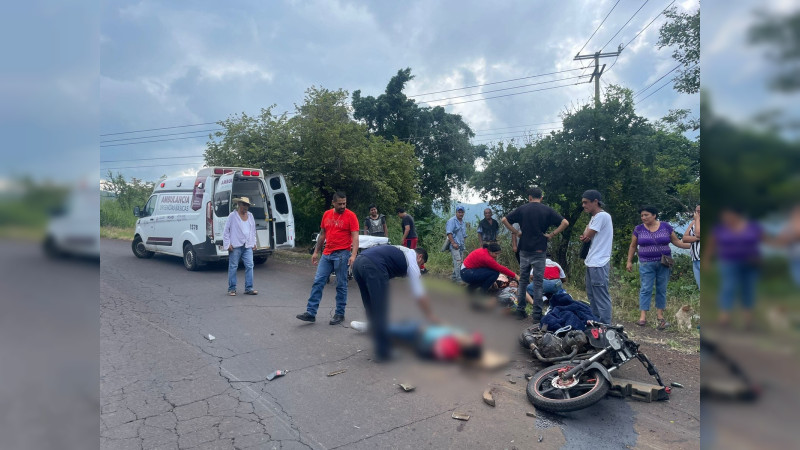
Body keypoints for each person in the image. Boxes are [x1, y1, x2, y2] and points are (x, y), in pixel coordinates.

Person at [350, 245, 436, 361]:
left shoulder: (403, 250)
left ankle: (375, 333)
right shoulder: (412, 260)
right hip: (373, 266)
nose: (420, 267)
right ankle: (383, 352)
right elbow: (419, 293)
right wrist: (429, 314)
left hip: (359, 263)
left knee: (371, 306)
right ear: (419, 257)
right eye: (421, 264)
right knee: (380, 310)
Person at [501, 188, 569, 322]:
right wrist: (551, 235)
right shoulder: (547, 210)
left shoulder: (522, 209)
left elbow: (504, 220)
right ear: (541, 198)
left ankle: (520, 311)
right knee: (538, 283)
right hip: (539, 250)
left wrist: (516, 232)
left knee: (523, 281)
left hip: (524, 249)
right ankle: (537, 314)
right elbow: (565, 222)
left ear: (530, 197)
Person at [296, 191, 360, 325]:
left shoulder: (351, 216)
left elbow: (355, 237)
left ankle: (339, 314)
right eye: (340, 204)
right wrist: (315, 252)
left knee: (341, 284)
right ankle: (311, 313)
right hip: (327, 253)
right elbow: (322, 235)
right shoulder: (327, 214)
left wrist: (353, 255)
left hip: (342, 254)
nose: (343, 206)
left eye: (344, 203)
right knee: (318, 281)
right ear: (333, 202)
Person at [626, 206, 691, 330]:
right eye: (642, 215)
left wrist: (693, 247)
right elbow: (633, 246)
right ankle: (642, 317)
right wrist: (629, 261)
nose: (643, 217)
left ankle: (660, 316)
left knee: (662, 288)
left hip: (664, 263)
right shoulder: (638, 229)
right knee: (646, 288)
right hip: (646, 263)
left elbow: (677, 242)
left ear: (654, 215)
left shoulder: (665, 226)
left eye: (646, 215)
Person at [706, 207, 762, 328]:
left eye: (728, 215)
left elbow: (765, 240)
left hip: (751, 262)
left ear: (737, 215)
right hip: (729, 262)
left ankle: (748, 319)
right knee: (728, 287)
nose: (726, 218)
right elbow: (711, 244)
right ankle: (724, 317)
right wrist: (707, 260)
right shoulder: (720, 229)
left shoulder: (752, 227)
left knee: (748, 289)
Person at [350, 320, 483, 362]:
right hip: (422, 327)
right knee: (398, 325)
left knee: (394, 330)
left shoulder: (450, 349)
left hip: (417, 334)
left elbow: (428, 351)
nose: (467, 337)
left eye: (468, 341)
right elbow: (477, 337)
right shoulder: (467, 338)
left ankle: (368, 327)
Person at [578, 190, 613, 324]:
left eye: (586, 202)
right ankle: (596, 322)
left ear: (595, 202)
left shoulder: (601, 216)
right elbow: (585, 235)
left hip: (599, 262)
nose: (584, 205)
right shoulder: (595, 217)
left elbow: (587, 235)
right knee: (592, 295)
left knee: (601, 296)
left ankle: (605, 324)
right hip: (592, 261)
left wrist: (586, 233)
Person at [223, 196, 258, 296]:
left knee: (250, 265)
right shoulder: (232, 216)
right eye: (244, 204)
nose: (246, 207)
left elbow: (253, 231)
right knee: (233, 266)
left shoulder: (250, 216)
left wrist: (254, 242)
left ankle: (249, 288)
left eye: (247, 205)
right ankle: (232, 288)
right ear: (239, 204)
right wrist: (227, 244)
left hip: (247, 245)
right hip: (236, 245)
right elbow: (226, 231)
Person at [446, 206, 468, 283]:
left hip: (461, 246)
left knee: (460, 262)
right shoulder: (452, 221)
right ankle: (459, 280)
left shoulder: (463, 222)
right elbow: (449, 233)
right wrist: (453, 243)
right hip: (454, 246)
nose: (460, 214)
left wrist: (463, 243)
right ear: (456, 212)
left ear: (464, 213)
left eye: (462, 212)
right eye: (459, 212)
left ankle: (454, 278)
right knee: (458, 262)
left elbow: (464, 235)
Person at [682, 204, 701, 289]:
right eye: (697, 211)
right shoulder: (693, 223)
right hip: (695, 259)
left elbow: (698, 233)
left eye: (700, 211)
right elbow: (684, 238)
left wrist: (697, 220)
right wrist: (697, 238)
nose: (697, 213)